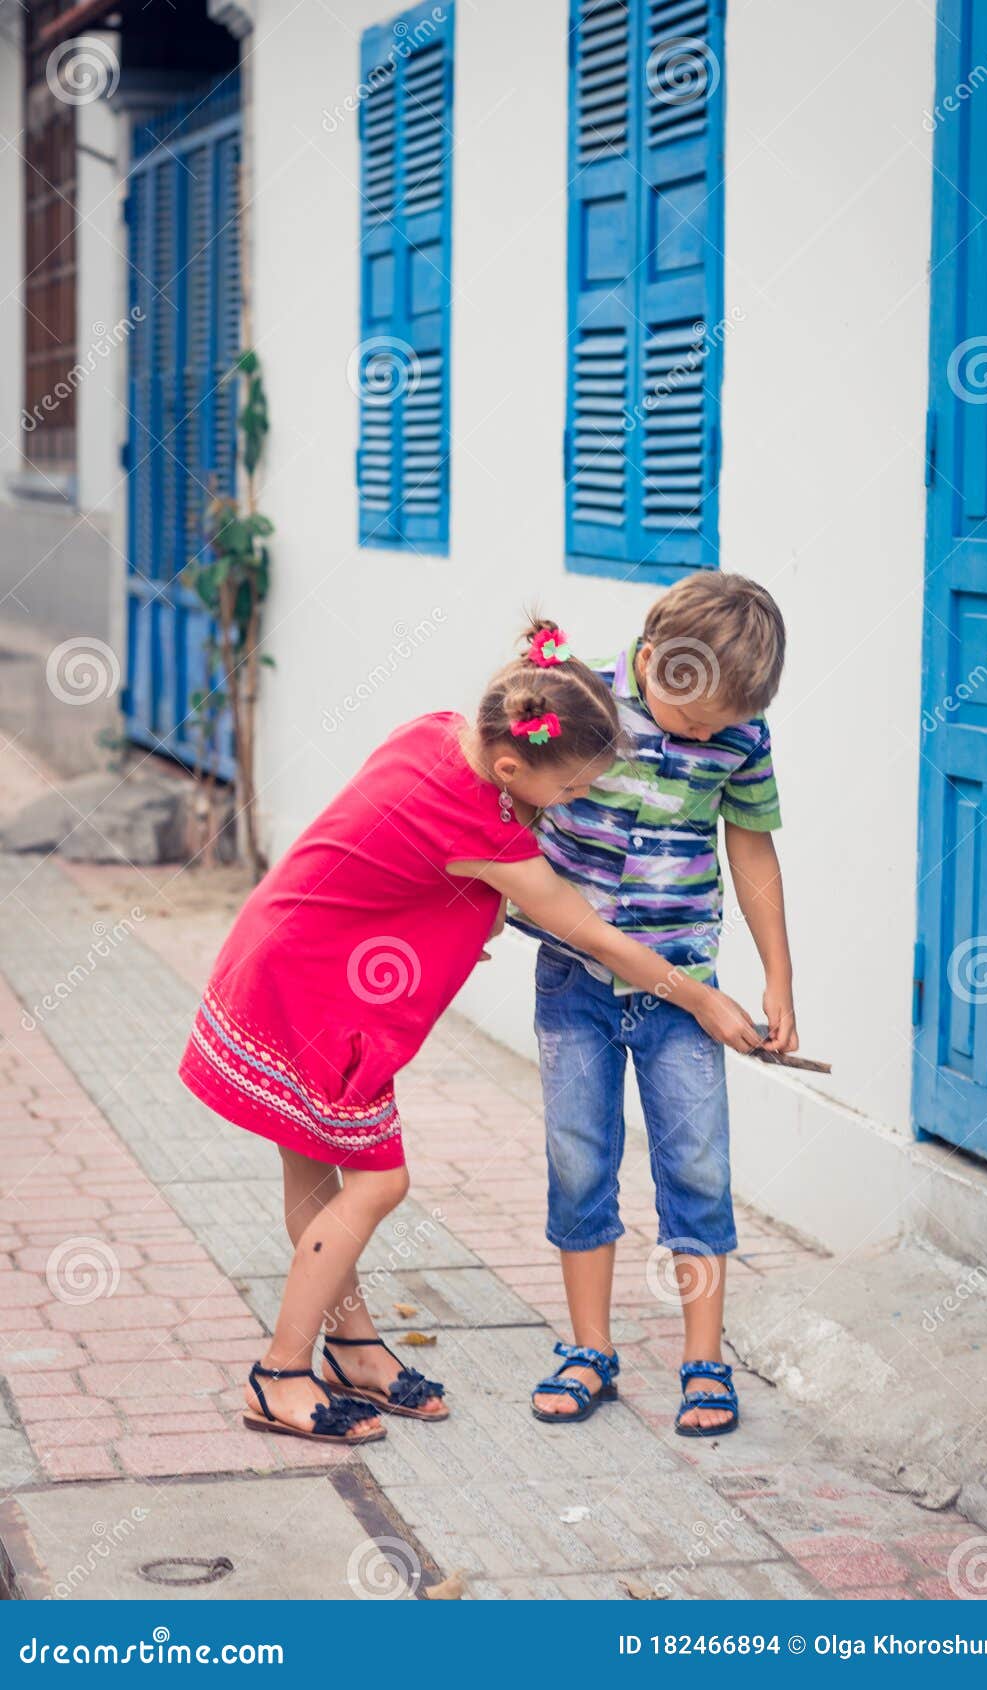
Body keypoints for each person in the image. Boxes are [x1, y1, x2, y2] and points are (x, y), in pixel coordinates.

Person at [179, 620, 744, 1445]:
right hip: (310, 992)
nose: (574, 803)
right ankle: (280, 1373)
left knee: (317, 1174)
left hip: (285, 956)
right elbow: (588, 930)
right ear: (514, 767)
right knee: (377, 1184)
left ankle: (354, 1348)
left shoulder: (441, 732)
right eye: (570, 791)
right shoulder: (485, 830)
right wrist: (699, 999)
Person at [515, 576, 796, 1437]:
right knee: (578, 1158)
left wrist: (778, 979)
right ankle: (588, 1348)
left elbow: (750, 852)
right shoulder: (580, 701)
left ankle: (703, 1359)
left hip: (685, 992)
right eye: (696, 720)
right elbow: (509, 808)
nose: (711, 736)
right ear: (649, 663)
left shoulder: (738, 732)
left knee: (698, 1169)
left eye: (724, 726)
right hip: (573, 981)